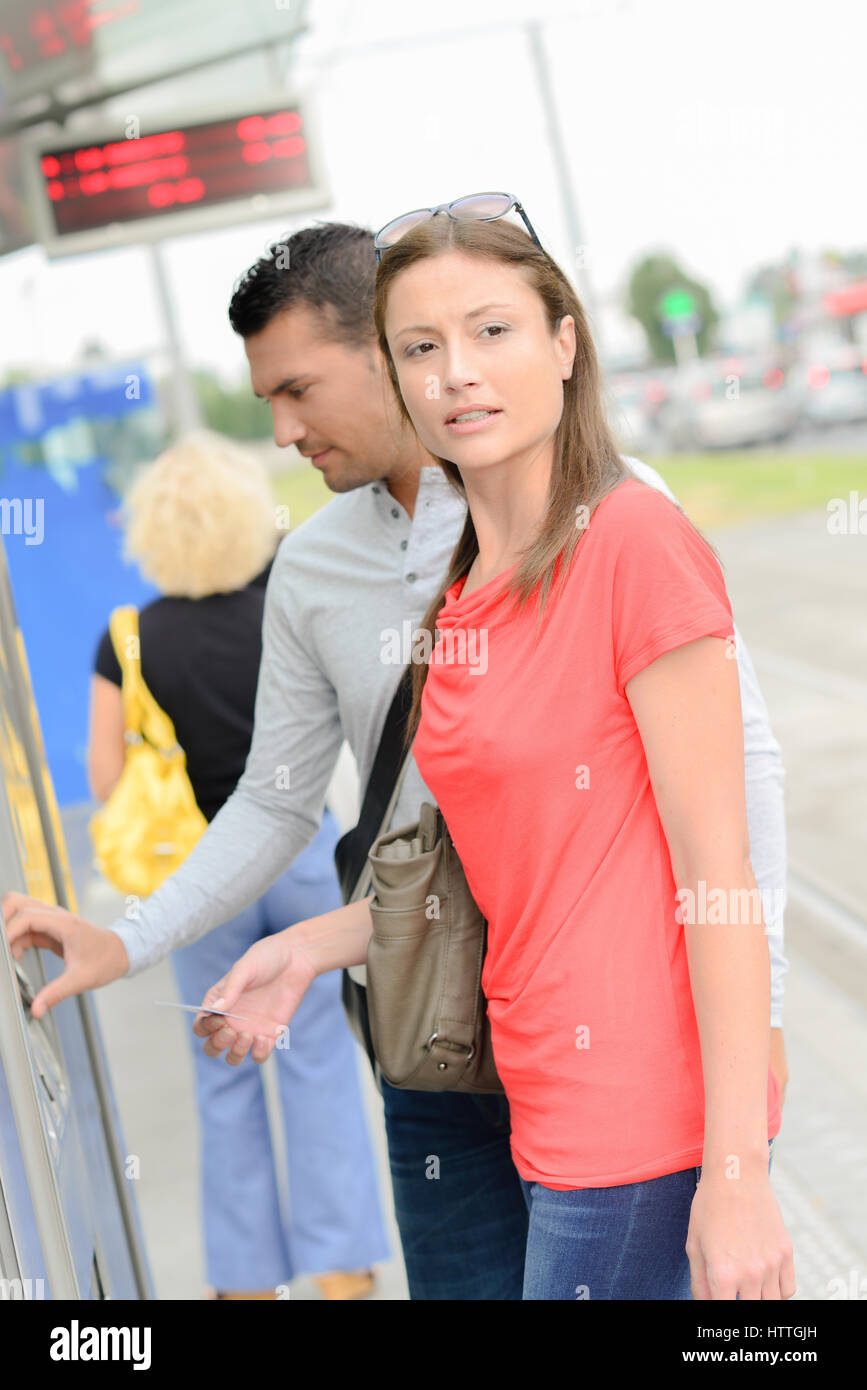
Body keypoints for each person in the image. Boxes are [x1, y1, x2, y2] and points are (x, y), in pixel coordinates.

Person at [2, 220, 789, 1301]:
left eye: (298, 390)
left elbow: (731, 822)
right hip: (450, 1041)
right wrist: (221, 941)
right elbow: (366, 827)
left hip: (629, 1080)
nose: (282, 430)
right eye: (428, 345)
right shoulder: (418, 581)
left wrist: (743, 1121)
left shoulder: (617, 526)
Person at [87, 431, 389, 1300]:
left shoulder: (128, 640)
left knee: (222, 1073)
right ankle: (342, 1266)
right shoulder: (282, 610)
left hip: (198, 881)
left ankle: (246, 1282)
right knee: (318, 1061)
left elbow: (106, 779)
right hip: (302, 860)